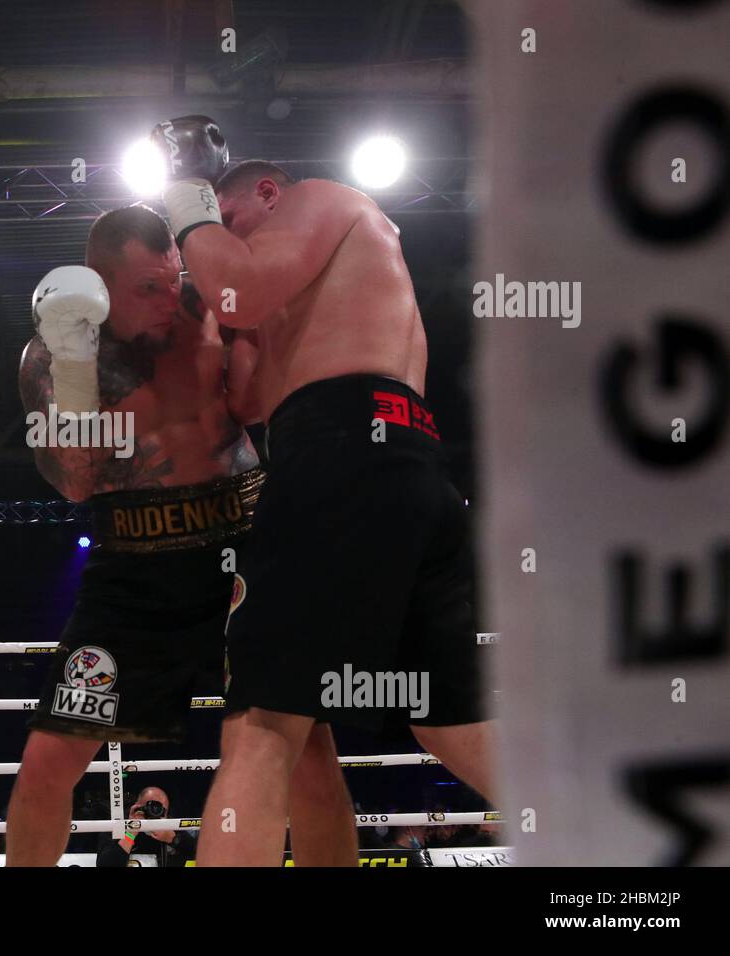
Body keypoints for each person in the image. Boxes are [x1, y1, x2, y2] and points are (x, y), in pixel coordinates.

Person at [150, 115, 496, 865]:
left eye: (229, 218)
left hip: (341, 456)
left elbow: (236, 284)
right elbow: (242, 404)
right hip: (401, 467)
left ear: (268, 193)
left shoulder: (322, 199)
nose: (217, 237)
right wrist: (203, 320)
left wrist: (186, 192)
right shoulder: (295, 297)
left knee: (261, 724)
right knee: (449, 725)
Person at [5, 204, 358, 867]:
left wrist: (248, 330)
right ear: (99, 283)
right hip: (132, 574)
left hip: (245, 554)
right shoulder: (53, 354)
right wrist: (77, 367)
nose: (172, 299)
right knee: (49, 761)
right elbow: (76, 481)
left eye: (174, 280)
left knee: (309, 756)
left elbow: (255, 406)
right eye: (149, 288)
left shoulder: (208, 308)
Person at [96, 787, 192, 867]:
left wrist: (174, 839)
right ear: (137, 807)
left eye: (160, 810)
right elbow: (105, 864)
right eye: (151, 808)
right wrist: (131, 833)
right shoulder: (119, 823)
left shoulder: (169, 824)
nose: (154, 814)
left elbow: (197, 850)